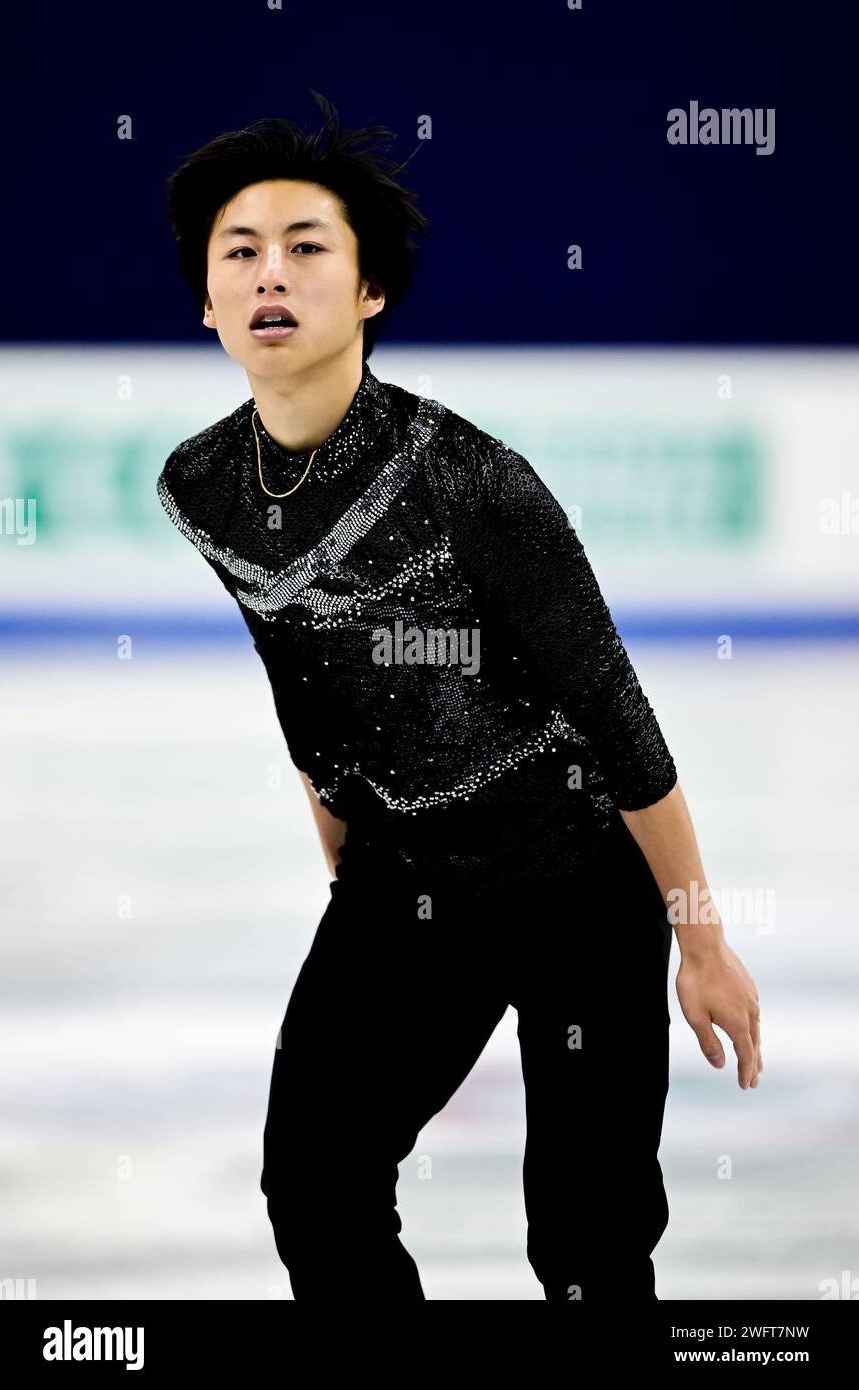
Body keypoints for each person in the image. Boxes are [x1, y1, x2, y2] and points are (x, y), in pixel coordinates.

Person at [157, 93, 763, 1302]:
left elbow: (613, 709)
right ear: (208, 302)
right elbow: (305, 687)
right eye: (241, 254)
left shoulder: (473, 482)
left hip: (577, 872)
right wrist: (348, 872)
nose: (271, 274)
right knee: (314, 1181)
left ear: (370, 290)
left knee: (587, 1244)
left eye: (306, 247)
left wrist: (697, 935)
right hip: (404, 873)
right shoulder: (201, 486)